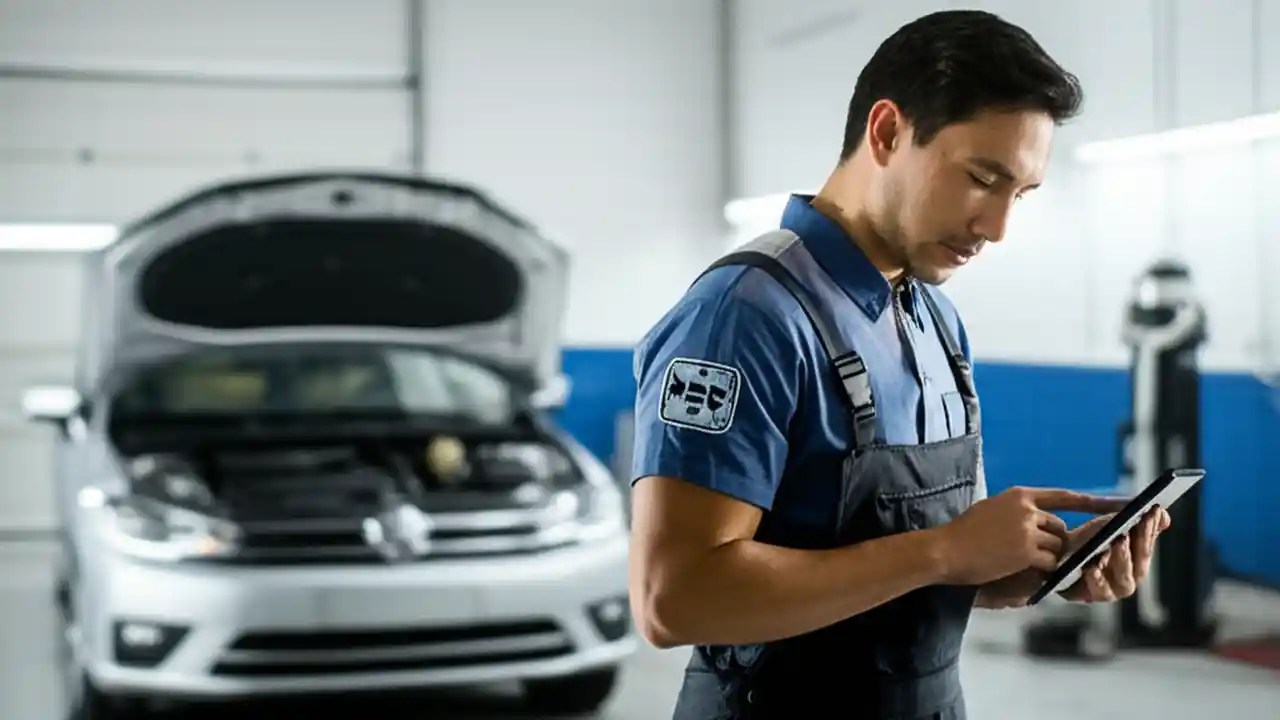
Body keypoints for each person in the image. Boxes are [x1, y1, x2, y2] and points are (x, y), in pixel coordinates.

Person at [626, 9, 1172, 719]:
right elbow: (675, 598)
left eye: (1020, 194)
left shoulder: (936, 321)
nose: (997, 227)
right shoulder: (745, 315)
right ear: (887, 132)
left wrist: (1038, 562)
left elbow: (931, 573)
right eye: (982, 177)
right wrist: (944, 551)